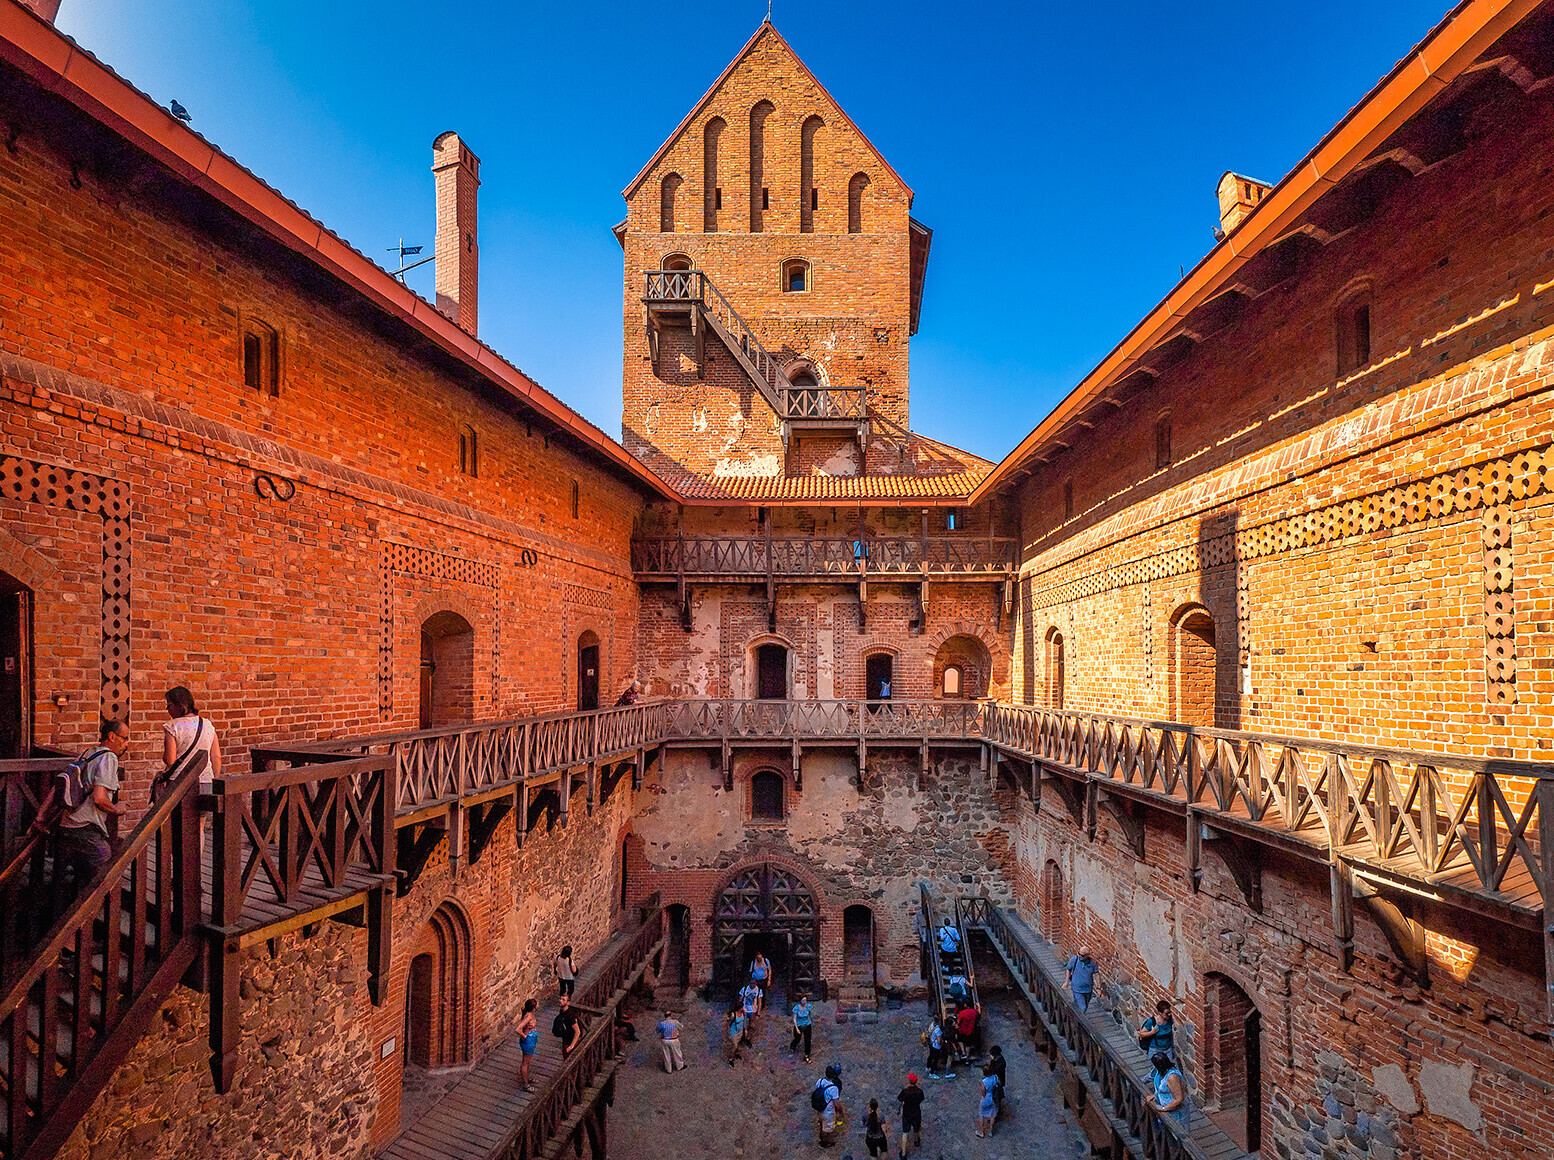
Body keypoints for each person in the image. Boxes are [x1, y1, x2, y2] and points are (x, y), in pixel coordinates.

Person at [49, 719, 131, 905]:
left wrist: (40, 817)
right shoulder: (109, 758)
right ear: (112, 737)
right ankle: (91, 916)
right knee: (104, 863)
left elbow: (58, 786)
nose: (127, 744)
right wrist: (116, 809)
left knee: (73, 879)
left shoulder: (87, 753)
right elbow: (99, 798)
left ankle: (68, 916)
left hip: (65, 825)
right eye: (125, 739)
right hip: (84, 827)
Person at [161, 686, 219, 789]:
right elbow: (216, 758)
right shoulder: (207, 724)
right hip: (206, 781)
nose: (167, 709)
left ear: (180, 705)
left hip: (179, 783)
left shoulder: (172, 726)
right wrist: (213, 779)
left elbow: (169, 760)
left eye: (169, 705)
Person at [1151, 1052, 1189, 1127]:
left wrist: (1164, 1108)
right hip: (1166, 1111)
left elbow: (1179, 1099)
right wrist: (1155, 1096)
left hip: (1176, 1112)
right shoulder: (1159, 1072)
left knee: (1178, 1132)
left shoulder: (1172, 1077)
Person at [813, 1064, 844, 1147]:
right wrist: (840, 1113)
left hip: (819, 1106)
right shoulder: (833, 1088)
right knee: (827, 1128)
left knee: (821, 1121)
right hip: (827, 1111)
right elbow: (837, 1104)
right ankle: (824, 1142)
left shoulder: (819, 1081)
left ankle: (821, 1130)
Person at [896, 1073, 925, 1158]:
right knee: (916, 1129)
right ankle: (916, 1141)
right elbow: (921, 1100)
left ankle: (904, 1153)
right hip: (916, 1112)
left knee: (905, 1132)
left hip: (907, 1113)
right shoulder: (920, 1092)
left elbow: (900, 1099)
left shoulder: (905, 1092)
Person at [1065, 946, 1098, 1012]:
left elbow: (1096, 974)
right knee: (1083, 1008)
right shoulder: (1074, 959)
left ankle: (1074, 1014)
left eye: (1081, 955)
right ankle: (1079, 1020)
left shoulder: (1092, 963)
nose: (1079, 956)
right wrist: (1066, 982)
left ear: (1087, 956)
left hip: (1088, 989)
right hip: (1077, 988)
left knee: (1084, 1005)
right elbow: (1068, 969)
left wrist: (1098, 988)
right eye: (1078, 953)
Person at [516, 999, 539, 1090]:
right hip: (528, 1041)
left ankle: (526, 1077)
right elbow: (518, 1029)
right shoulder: (528, 1017)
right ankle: (526, 1085)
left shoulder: (528, 1015)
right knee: (525, 1062)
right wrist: (525, 1036)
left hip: (530, 1041)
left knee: (527, 1061)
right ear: (533, 1008)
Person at [790, 993, 813, 1061]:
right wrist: (796, 1028)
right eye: (803, 1000)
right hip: (799, 1025)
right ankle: (793, 1046)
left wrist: (811, 1022)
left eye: (805, 1000)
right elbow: (794, 1018)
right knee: (797, 1038)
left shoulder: (808, 1006)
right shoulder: (797, 1008)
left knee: (807, 1040)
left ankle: (807, 1054)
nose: (804, 1002)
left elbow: (810, 1015)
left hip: (807, 1024)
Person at [976, 1069, 999, 1138]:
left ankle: (981, 1132)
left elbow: (983, 1093)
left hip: (986, 1099)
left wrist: (980, 1088)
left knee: (981, 1114)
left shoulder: (984, 1081)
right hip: (993, 1098)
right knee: (992, 1115)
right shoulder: (995, 1077)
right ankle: (990, 1131)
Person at [987, 1045, 1006, 1114]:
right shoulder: (998, 1060)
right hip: (995, 1080)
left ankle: (997, 1112)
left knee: (997, 1097)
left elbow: (994, 1070)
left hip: (998, 1081)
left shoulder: (1001, 1062)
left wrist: (992, 1061)